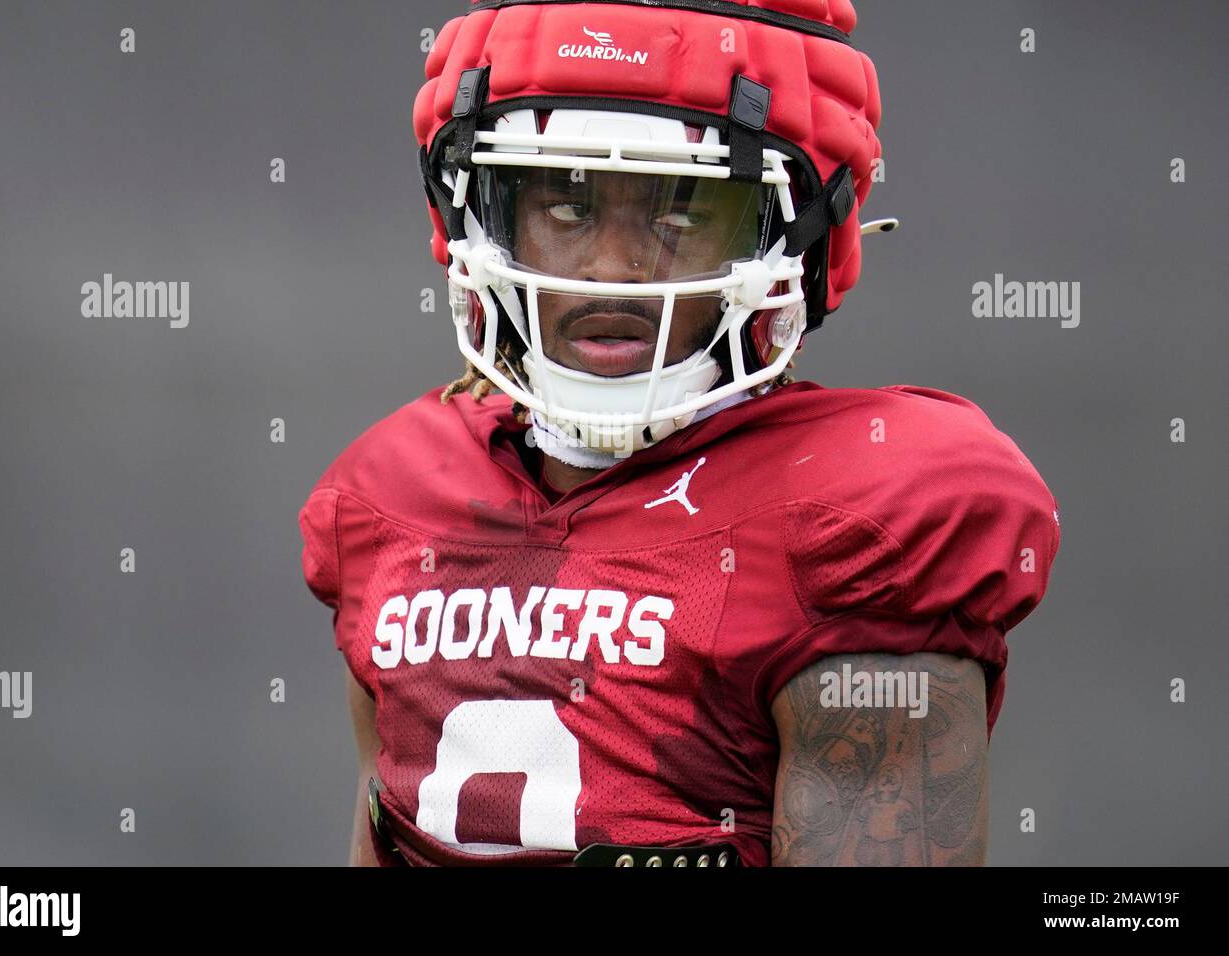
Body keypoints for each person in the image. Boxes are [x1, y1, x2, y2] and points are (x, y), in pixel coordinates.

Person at [300, 0, 1060, 867]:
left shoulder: (854, 527)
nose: (612, 268)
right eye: (565, 204)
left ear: (797, 235)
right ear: (477, 218)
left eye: (685, 212)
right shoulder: (396, 497)